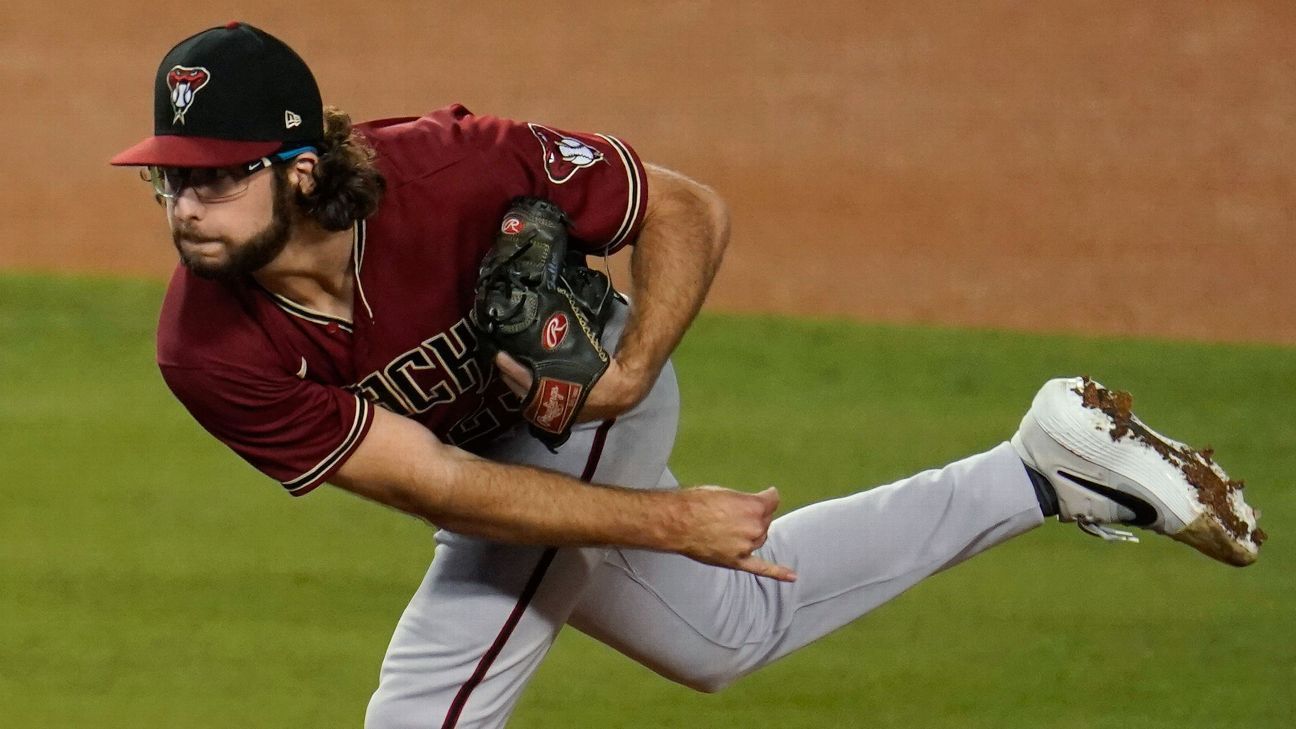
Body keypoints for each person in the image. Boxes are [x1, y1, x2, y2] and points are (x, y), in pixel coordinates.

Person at [111, 22, 1263, 729]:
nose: (189, 208)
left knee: (433, 690)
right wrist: (665, 522)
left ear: (304, 170)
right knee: (723, 636)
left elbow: (683, 207)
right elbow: (439, 486)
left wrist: (626, 376)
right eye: (173, 182)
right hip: (487, 463)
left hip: (589, 399)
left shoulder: (453, 170)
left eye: (219, 178)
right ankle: (1043, 474)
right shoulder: (206, 348)